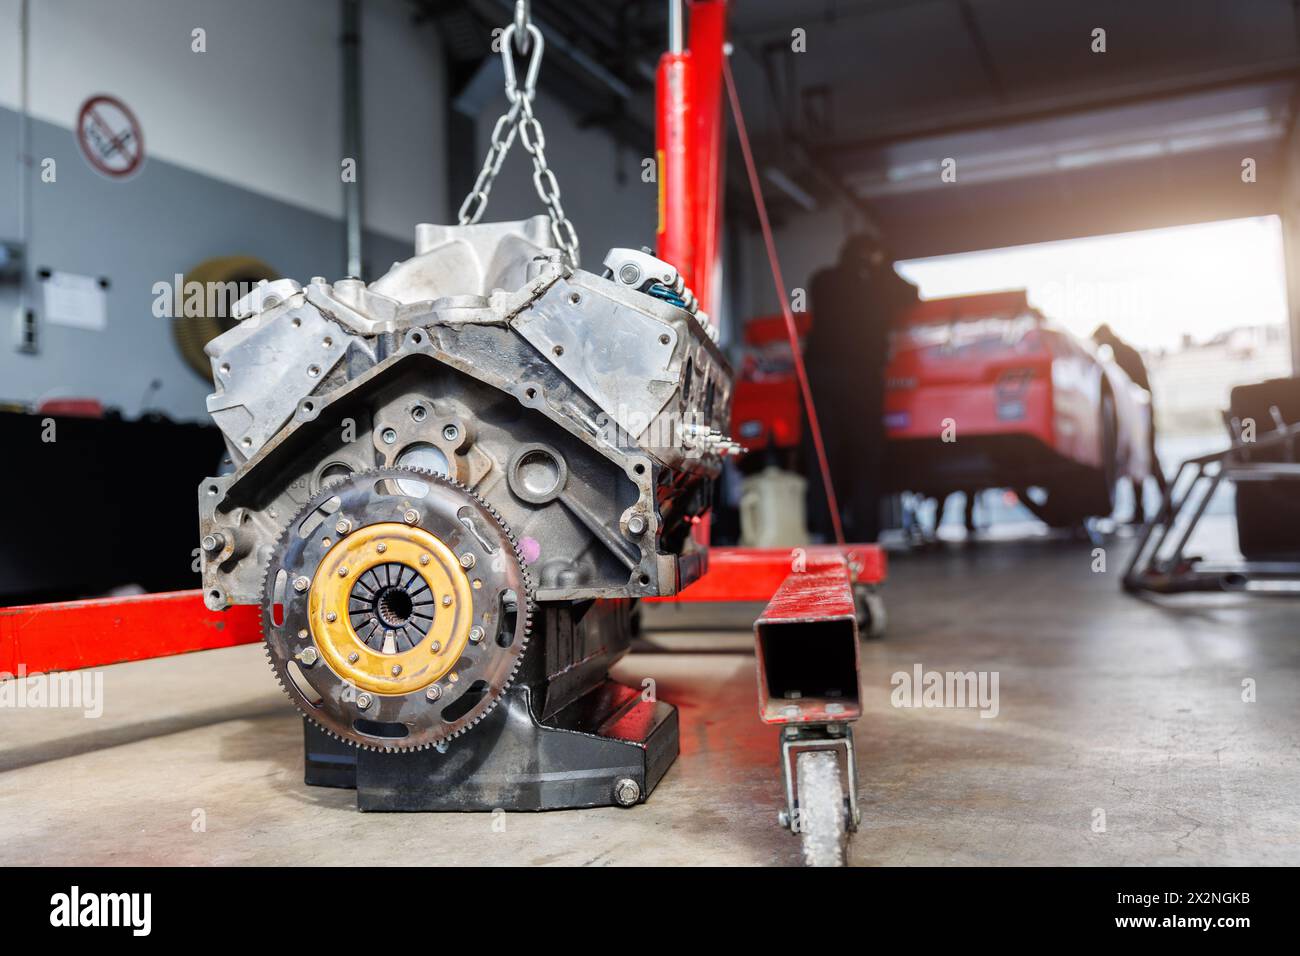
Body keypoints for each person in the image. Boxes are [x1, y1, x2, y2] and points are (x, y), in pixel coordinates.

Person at [803, 234, 919, 541]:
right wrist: (884, 266)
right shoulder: (879, 286)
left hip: (821, 376)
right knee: (866, 454)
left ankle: (827, 532)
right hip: (861, 378)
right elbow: (912, 294)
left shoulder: (823, 280)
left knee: (824, 454)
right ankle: (866, 535)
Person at [1092, 323, 1168, 522]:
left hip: (1140, 419)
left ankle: (1162, 510)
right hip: (1140, 417)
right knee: (1141, 462)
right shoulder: (1122, 354)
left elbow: (1133, 391)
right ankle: (1151, 511)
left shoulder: (1122, 356)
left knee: (1147, 461)